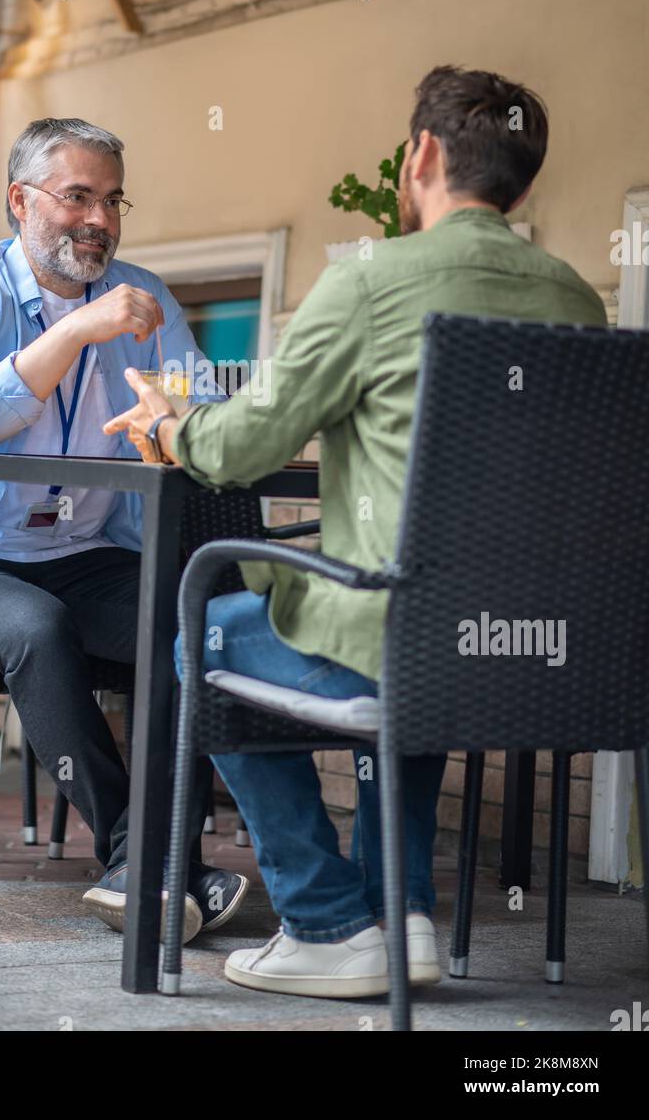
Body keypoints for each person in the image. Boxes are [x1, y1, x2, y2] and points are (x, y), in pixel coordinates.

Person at [104, 66, 608, 997]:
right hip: (542, 648)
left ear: (419, 156)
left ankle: (329, 919)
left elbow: (248, 443)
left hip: (407, 633)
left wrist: (166, 427)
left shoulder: (373, 283)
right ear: (522, 186)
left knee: (201, 630)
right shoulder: (576, 298)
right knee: (410, 634)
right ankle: (402, 915)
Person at [0, 117, 247, 940]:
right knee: (37, 629)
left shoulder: (144, 298)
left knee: (183, 622)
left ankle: (148, 870)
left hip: (88, 550)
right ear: (21, 201)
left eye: (113, 201)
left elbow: (207, 412)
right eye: (77, 196)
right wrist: (78, 327)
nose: (100, 220)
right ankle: (148, 858)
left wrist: (173, 417)